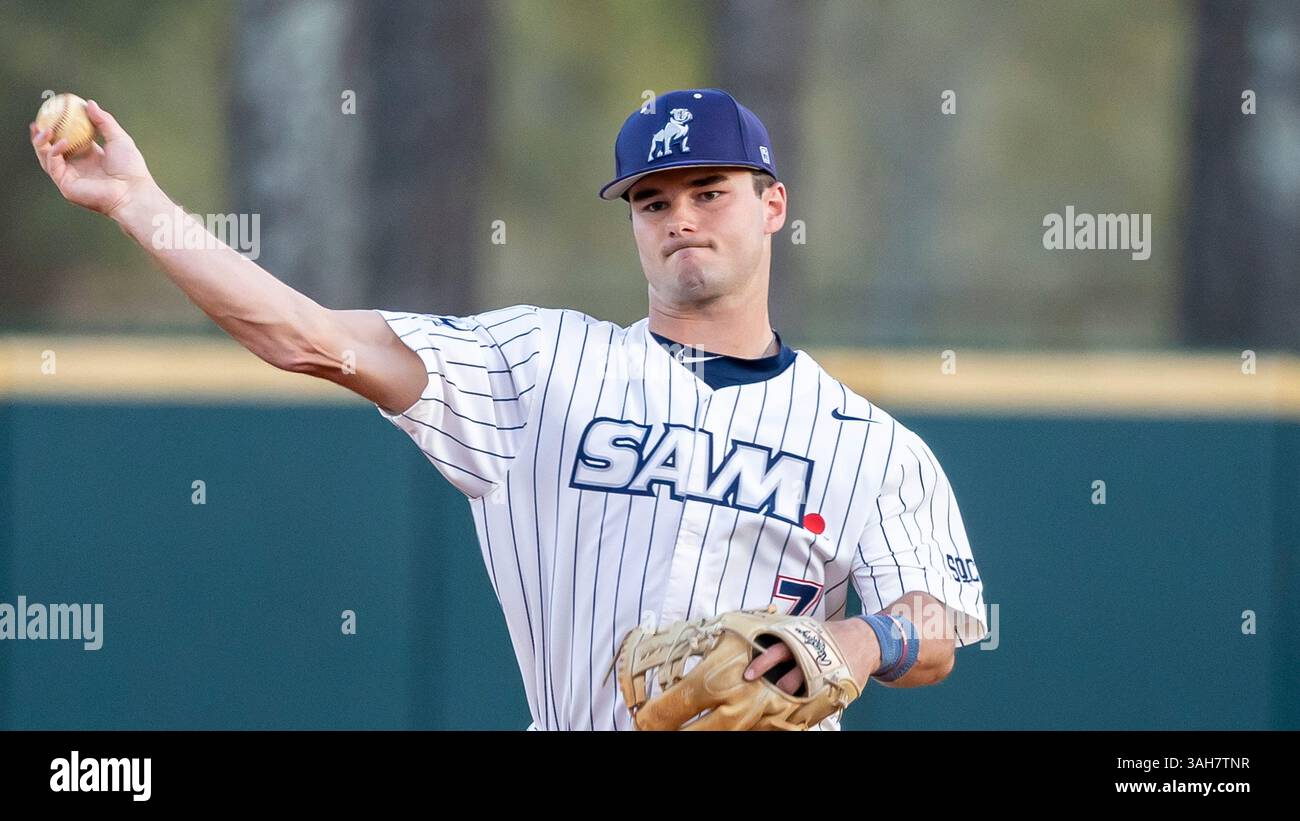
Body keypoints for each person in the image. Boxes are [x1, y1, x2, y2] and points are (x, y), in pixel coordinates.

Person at [31, 88, 988, 731]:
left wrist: (858, 639)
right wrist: (136, 201)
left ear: (773, 204)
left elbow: (941, 620)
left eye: (710, 191)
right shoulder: (540, 364)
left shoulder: (868, 442)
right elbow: (301, 334)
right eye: (653, 202)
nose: (682, 218)